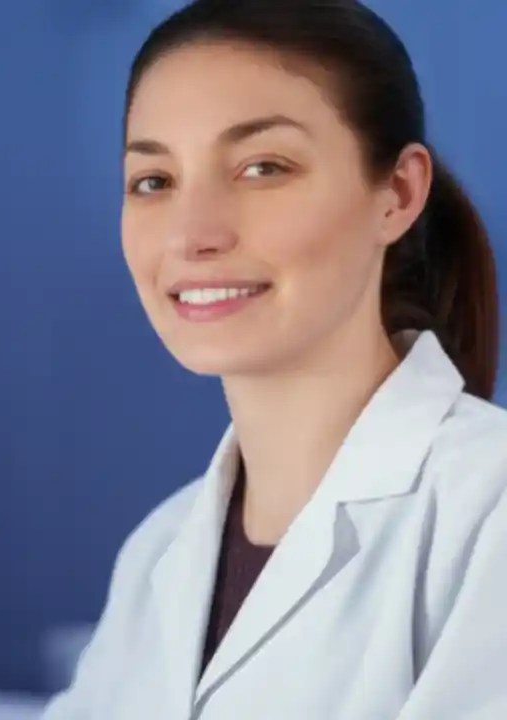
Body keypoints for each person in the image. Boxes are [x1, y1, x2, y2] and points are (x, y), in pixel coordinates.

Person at [43, 1, 507, 718]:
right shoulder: (160, 550)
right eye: (154, 181)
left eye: (263, 167)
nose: (193, 235)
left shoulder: (489, 512)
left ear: (399, 194)